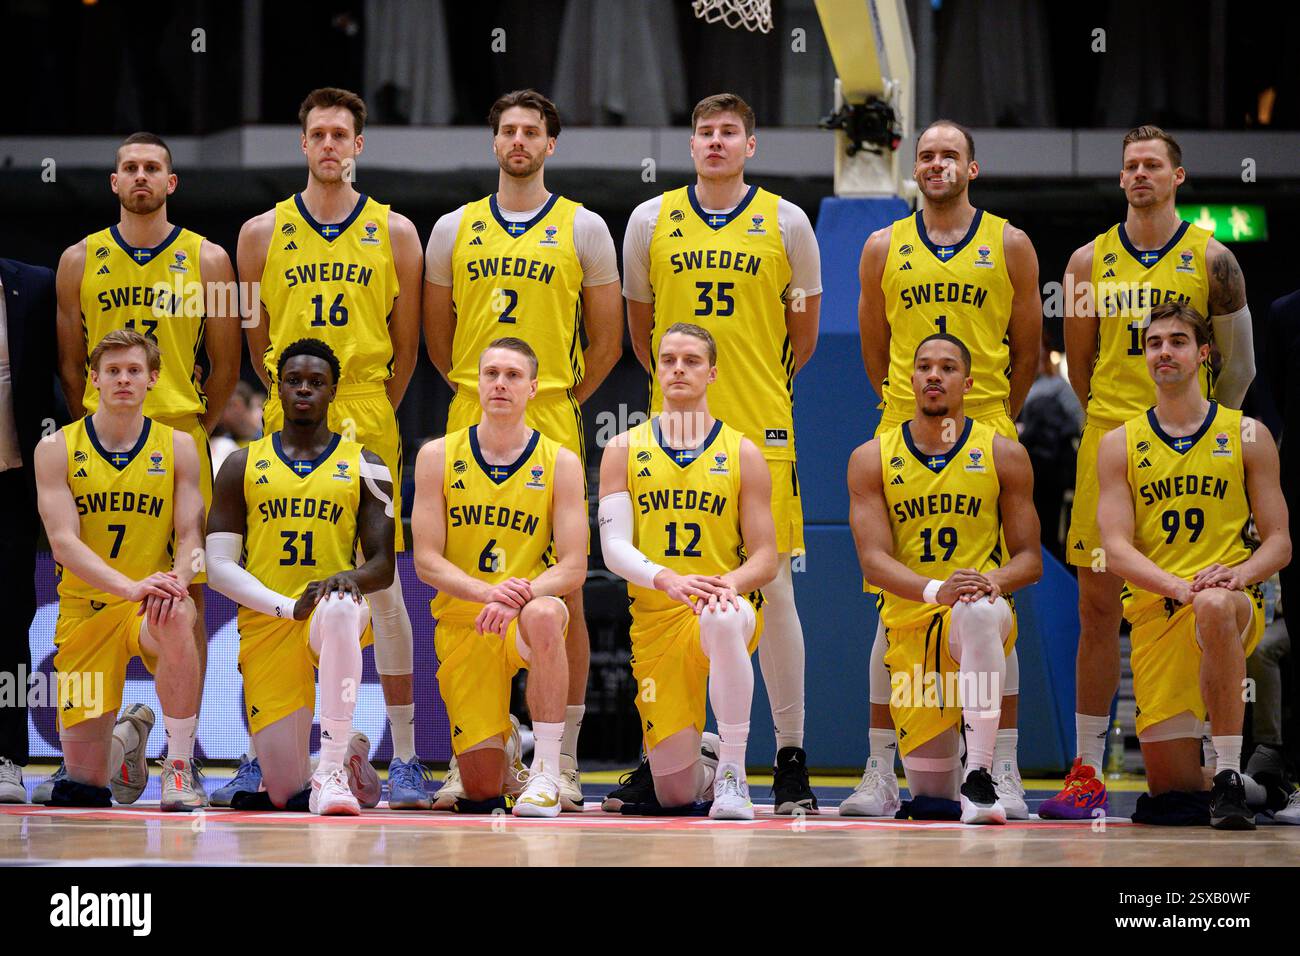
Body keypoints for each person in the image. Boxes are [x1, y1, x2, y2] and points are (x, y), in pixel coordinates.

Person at [1045, 125, 1257, 818]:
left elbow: (1239, 367)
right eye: (1130, 165)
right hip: (1112, 442)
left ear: (1178, 176)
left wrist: (1199, 436)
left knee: (1205, 601)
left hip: (1195, 452)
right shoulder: (1085, 263)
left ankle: (1223, 759)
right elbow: (1082, 369)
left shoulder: (1215, 258)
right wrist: (1123, 426)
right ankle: (1086, 771)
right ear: (1121, 179)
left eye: (1152, 165)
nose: (1139, 174)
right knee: (1097, 610)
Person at [621, 93, 821, 814]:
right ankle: (673, 749)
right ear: (691, 143)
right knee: (671, 590)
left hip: (761, 425)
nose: (714, 142)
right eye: (703, 132)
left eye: (728, 132)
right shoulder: (649, 220)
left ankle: (789, 757)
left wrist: (747, 387)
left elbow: (801, 336)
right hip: (672, 432)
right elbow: (645, 336)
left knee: (773, 592)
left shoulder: (788, 221)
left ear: (750, 144)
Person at [423, 89, 621, 810]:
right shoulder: (453, 227)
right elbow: (439, 339)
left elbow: (606, 340)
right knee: (457, 584)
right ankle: (476, 742)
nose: (517, 140)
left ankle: (559, 760)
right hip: (471, 410)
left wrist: (561, 394)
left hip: (552, 413)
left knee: (558, 593)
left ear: (550, 144)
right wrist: (480, 386)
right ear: (494, 140)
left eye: (530, 131)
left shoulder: (585, 227)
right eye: (506, 129)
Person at [237, 87, 428, 808]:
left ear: (359, 146)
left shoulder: (395, 232)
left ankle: (406, 754)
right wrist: (296, 397)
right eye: (316, 133)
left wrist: (370, 405)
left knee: (383, 586)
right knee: (275, 581)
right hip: (294, 408)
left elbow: (405, 347)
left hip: (366, 410)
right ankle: (264, 754)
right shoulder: (261, 233)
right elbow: (260, 346)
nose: (328, 145)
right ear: (303, 144)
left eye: (340, 134)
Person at [43, 132, 240, 801]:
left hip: (178, 430)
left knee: (186, 598)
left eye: (153, 168)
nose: (141, 177)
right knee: (81, 783)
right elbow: (73, 362)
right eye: (130, 168)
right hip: (100, 431)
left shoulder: (207, 259)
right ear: (114, 181)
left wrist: (188, 425)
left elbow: (226, 364)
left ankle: (179, 758)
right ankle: (117, 735)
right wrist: (103, 423)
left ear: (171, 182)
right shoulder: (80, 259)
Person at [854, 119, 1042, 817]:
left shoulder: (1010, 244)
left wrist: (993, 417)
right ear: (915, 167)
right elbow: (877, 351)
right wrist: (908, 408)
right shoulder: (882, 247)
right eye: (926, 154)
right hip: (904, 422)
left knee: (992, 606)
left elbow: (1028, 350)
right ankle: (880, 770)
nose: (936, 164)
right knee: (895, 599)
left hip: (986, 422)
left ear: (973, 167)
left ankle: (1003, 768)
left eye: (949, 155)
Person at [1095, 301, 1288, 829]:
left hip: (1231, 602)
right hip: (1160, 611)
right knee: (1172, 793)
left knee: (1214, 603)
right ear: (1144, 354)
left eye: (1177, 341)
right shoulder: (1119, 444)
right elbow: (1116, 550)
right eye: (1155, 343)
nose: (1164, 352)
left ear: (1203, 354)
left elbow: (1279, 543)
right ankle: (1263, 789)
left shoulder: (1247, 434)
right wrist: (1178, 588)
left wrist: (1239, 574)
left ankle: (1227, 772)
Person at [846, 333, 1042, 823]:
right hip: (914, 620)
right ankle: (885, 773)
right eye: (925, 366)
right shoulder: (871, 457)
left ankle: (989, 771)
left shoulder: (1003, 453)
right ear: (908, 380)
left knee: (979, 611)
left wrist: (990, 581)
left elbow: (1030, 560)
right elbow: (873, 562)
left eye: (948, 368)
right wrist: (939, 591)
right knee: (933, 795)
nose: (935, 375)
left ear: (968, 383)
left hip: (976, 613)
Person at [598, 323, 777, 819]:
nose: (679, 368)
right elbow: (613, 548)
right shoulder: (623, 449)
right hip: (658, 617)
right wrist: (668, 579)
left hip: (723, 605)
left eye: (692, 360)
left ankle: (735, 777)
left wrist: (731, 585)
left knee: (722, 618)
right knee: (675, 794)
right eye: (669, 359)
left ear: (712, 372)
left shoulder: (742, 451)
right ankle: (707, 758)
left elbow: (765, 556)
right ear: (656, 371)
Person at [205, 338, 391, 815]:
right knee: (285, 792)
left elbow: (382, 566)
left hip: (331, 616)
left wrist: (344, 579)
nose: (304, 389)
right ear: (277, 390)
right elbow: (219, 567)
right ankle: (348, 752)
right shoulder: (241, 464)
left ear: (334, 391)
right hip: (271, 621)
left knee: (341, 607)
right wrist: (288, 606)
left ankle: (330, 768)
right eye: (293, 381)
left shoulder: (367, 465)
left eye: (316, 382)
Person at [411, 338, 587, 815]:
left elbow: (573, 565)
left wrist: (516, 598)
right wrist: (488, 592)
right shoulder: (437, 456)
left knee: (551, 612)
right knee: (483, 788)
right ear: (475, 385)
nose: (500, 384)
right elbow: (426, 560)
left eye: (512, 375)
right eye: (490, 374)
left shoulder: (560, 462)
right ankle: (504, 746)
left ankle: (548, 770)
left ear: (533, 388)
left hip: (524, 617)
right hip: (465, 623)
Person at [34, 329, 206, 810]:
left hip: (145, 607)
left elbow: (192, 538)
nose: (123, 380)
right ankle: (128, 740)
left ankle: (177, 766)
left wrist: (178, 581)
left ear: (153, 378)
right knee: (84, 788)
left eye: (134, 371)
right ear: (94, 379)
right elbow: (63, 544)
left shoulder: (179, 446)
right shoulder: (56, 448)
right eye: (112, 371)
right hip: (87, 611)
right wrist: (129, 586)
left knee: (177, 613)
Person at [0, 257, 57, 803]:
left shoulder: (34, 286)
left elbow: (62, 378)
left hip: (10, 486)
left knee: (9, 621)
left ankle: (8, 758)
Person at [1018, 338, 1082, 561]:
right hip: (1025, 466)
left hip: (1049, 470)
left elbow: (1079, 421)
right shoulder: (1015, 387)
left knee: (1049, 526)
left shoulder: (1057, 386)